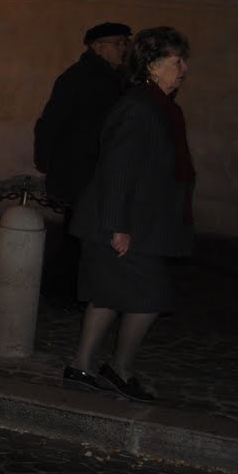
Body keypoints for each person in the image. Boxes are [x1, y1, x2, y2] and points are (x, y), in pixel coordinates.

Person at [62, 27, 194, 401]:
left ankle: (82, 365)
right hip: (121, 223)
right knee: (150, 296)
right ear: (152, 66)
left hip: (140, 222)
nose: (183, 68)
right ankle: (117, 368)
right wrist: (118, 227)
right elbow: (117, 168)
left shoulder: (160, 107)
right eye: (176, 61)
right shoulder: (139, 107)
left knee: (106, 295)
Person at [33, 22, 131, 306]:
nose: (122, 49)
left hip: (99, 170)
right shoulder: (77, 78)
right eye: (117, 43)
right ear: (97, 47)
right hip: (79, 171)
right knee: (76, 234)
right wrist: (49, 162)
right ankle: (60, 289)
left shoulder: (119, 80)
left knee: (85, 235)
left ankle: (71, 289)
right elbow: (53, 122)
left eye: (125, 43)